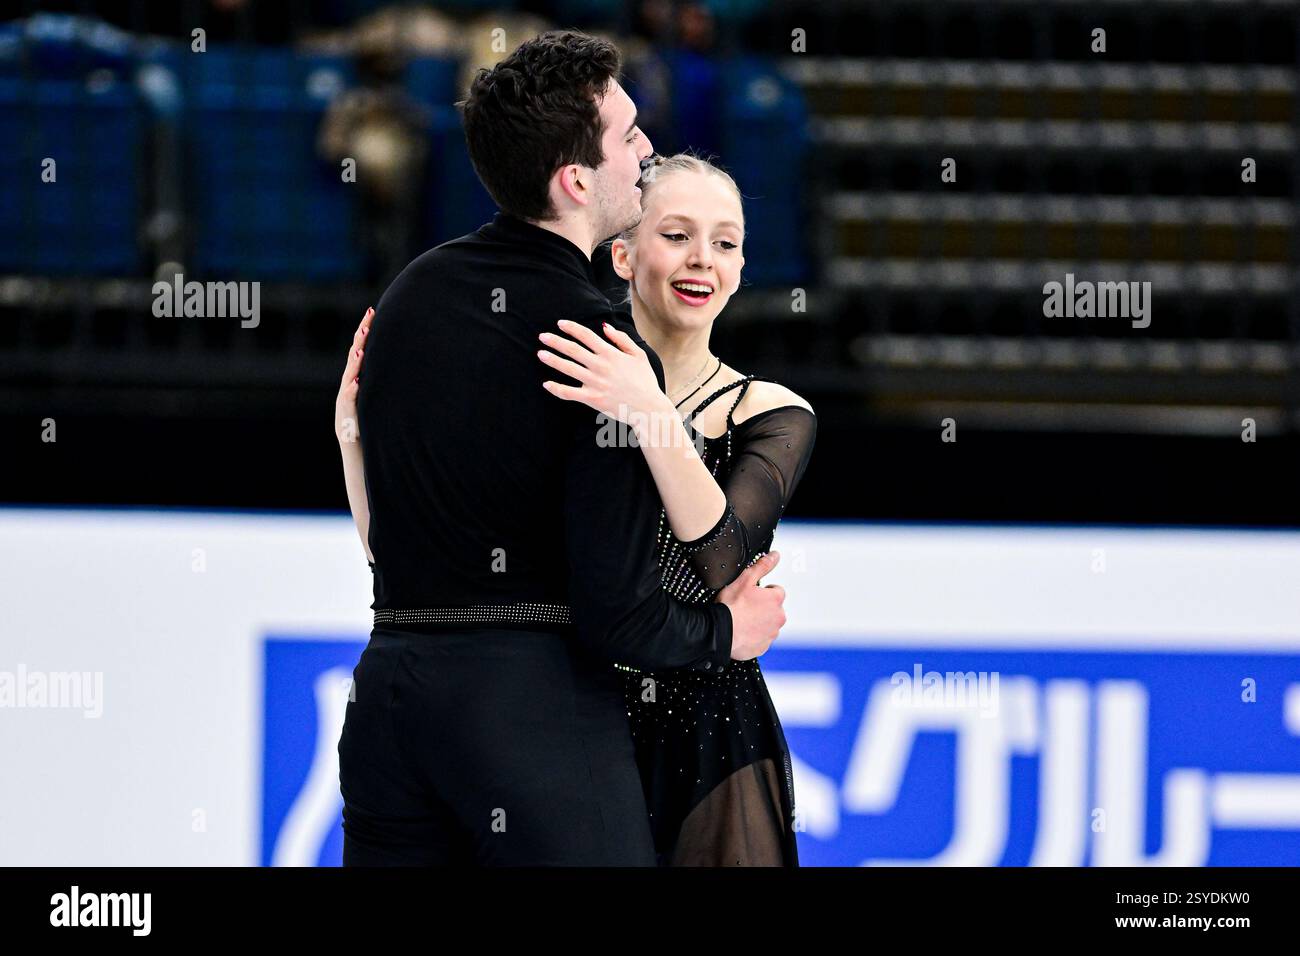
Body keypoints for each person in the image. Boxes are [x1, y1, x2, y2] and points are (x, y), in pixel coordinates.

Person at [332, 29, 786, 866]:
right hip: (524, 719)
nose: (646, 149)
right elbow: (619, 614)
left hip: (387, 701)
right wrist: (727, 631)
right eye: (628, 135)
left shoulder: (414, 291)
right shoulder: (601, 346)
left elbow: (391, 545)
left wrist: (349, 440)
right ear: (577, 180)